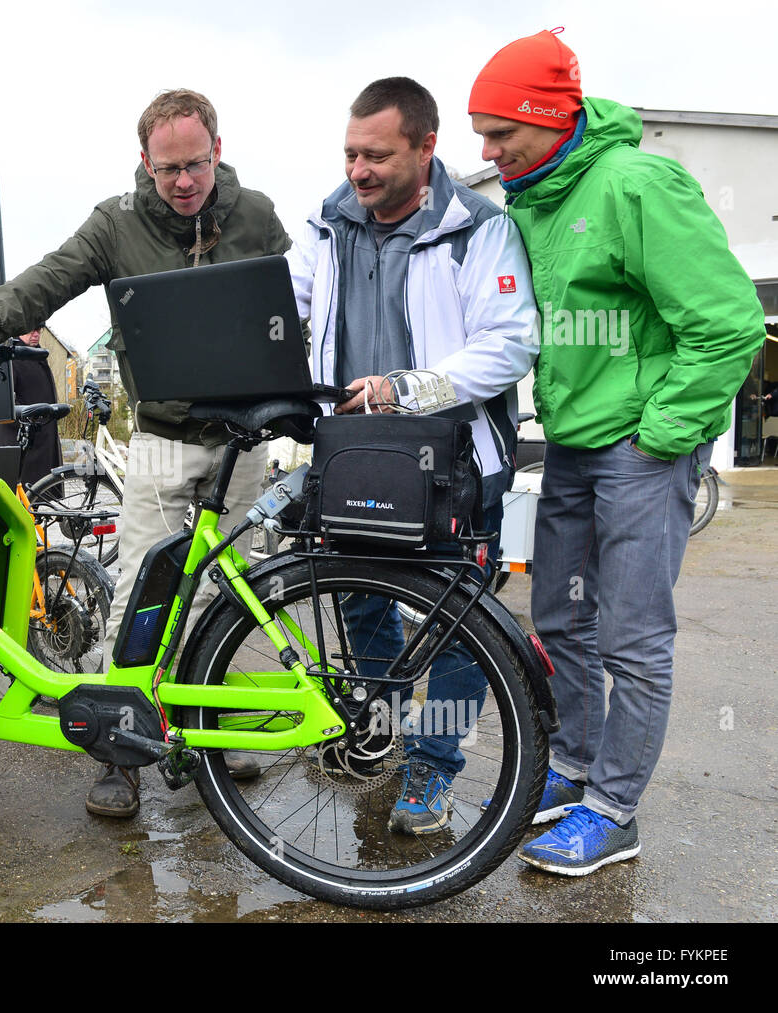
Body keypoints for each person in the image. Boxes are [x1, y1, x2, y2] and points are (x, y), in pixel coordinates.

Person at [0, 88, 292, 818]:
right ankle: (120, 752)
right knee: (147, 598)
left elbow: (292, 307)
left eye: (197, 165)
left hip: (243, 438)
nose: (183, 182)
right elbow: (45, 281)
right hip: (160, 438)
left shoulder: (259, 215)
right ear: (143, 162)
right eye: (167, 168)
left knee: (225, 594)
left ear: (219, 149)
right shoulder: (115, 222)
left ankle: (211, 725)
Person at [468, 29, 765, 875]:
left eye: (500, 133)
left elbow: (730, 324)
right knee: (561, 617)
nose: (486, 151)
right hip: (569, 444)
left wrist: (663, 434)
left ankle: (615, 809)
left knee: (634, 634)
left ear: (550, 115)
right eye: (480, 133)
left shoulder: (636, 183)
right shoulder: (528, 198)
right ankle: (573, 768)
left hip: (639, 450)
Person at [286, 76, 538, 835]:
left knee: (463, 624)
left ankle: (432, 764)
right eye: (350, 154)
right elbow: (282, 306)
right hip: (355, 454)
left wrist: (407, 388)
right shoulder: (327, 221)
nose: (358, 171)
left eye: (377, 156)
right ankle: (380, 724)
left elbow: (511, 341)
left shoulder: (478, 228)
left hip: (454, 463)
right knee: (360, 597)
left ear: (427, 148)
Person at [0, 325, 63, 489]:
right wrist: (30, 421)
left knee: (43, 493)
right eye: (31, 330)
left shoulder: (37, 355)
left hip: (43, 439)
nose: (36, 334)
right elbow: (4, 402)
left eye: (39, 330)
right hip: (23, 440)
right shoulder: (11, 356)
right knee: (25, 495)